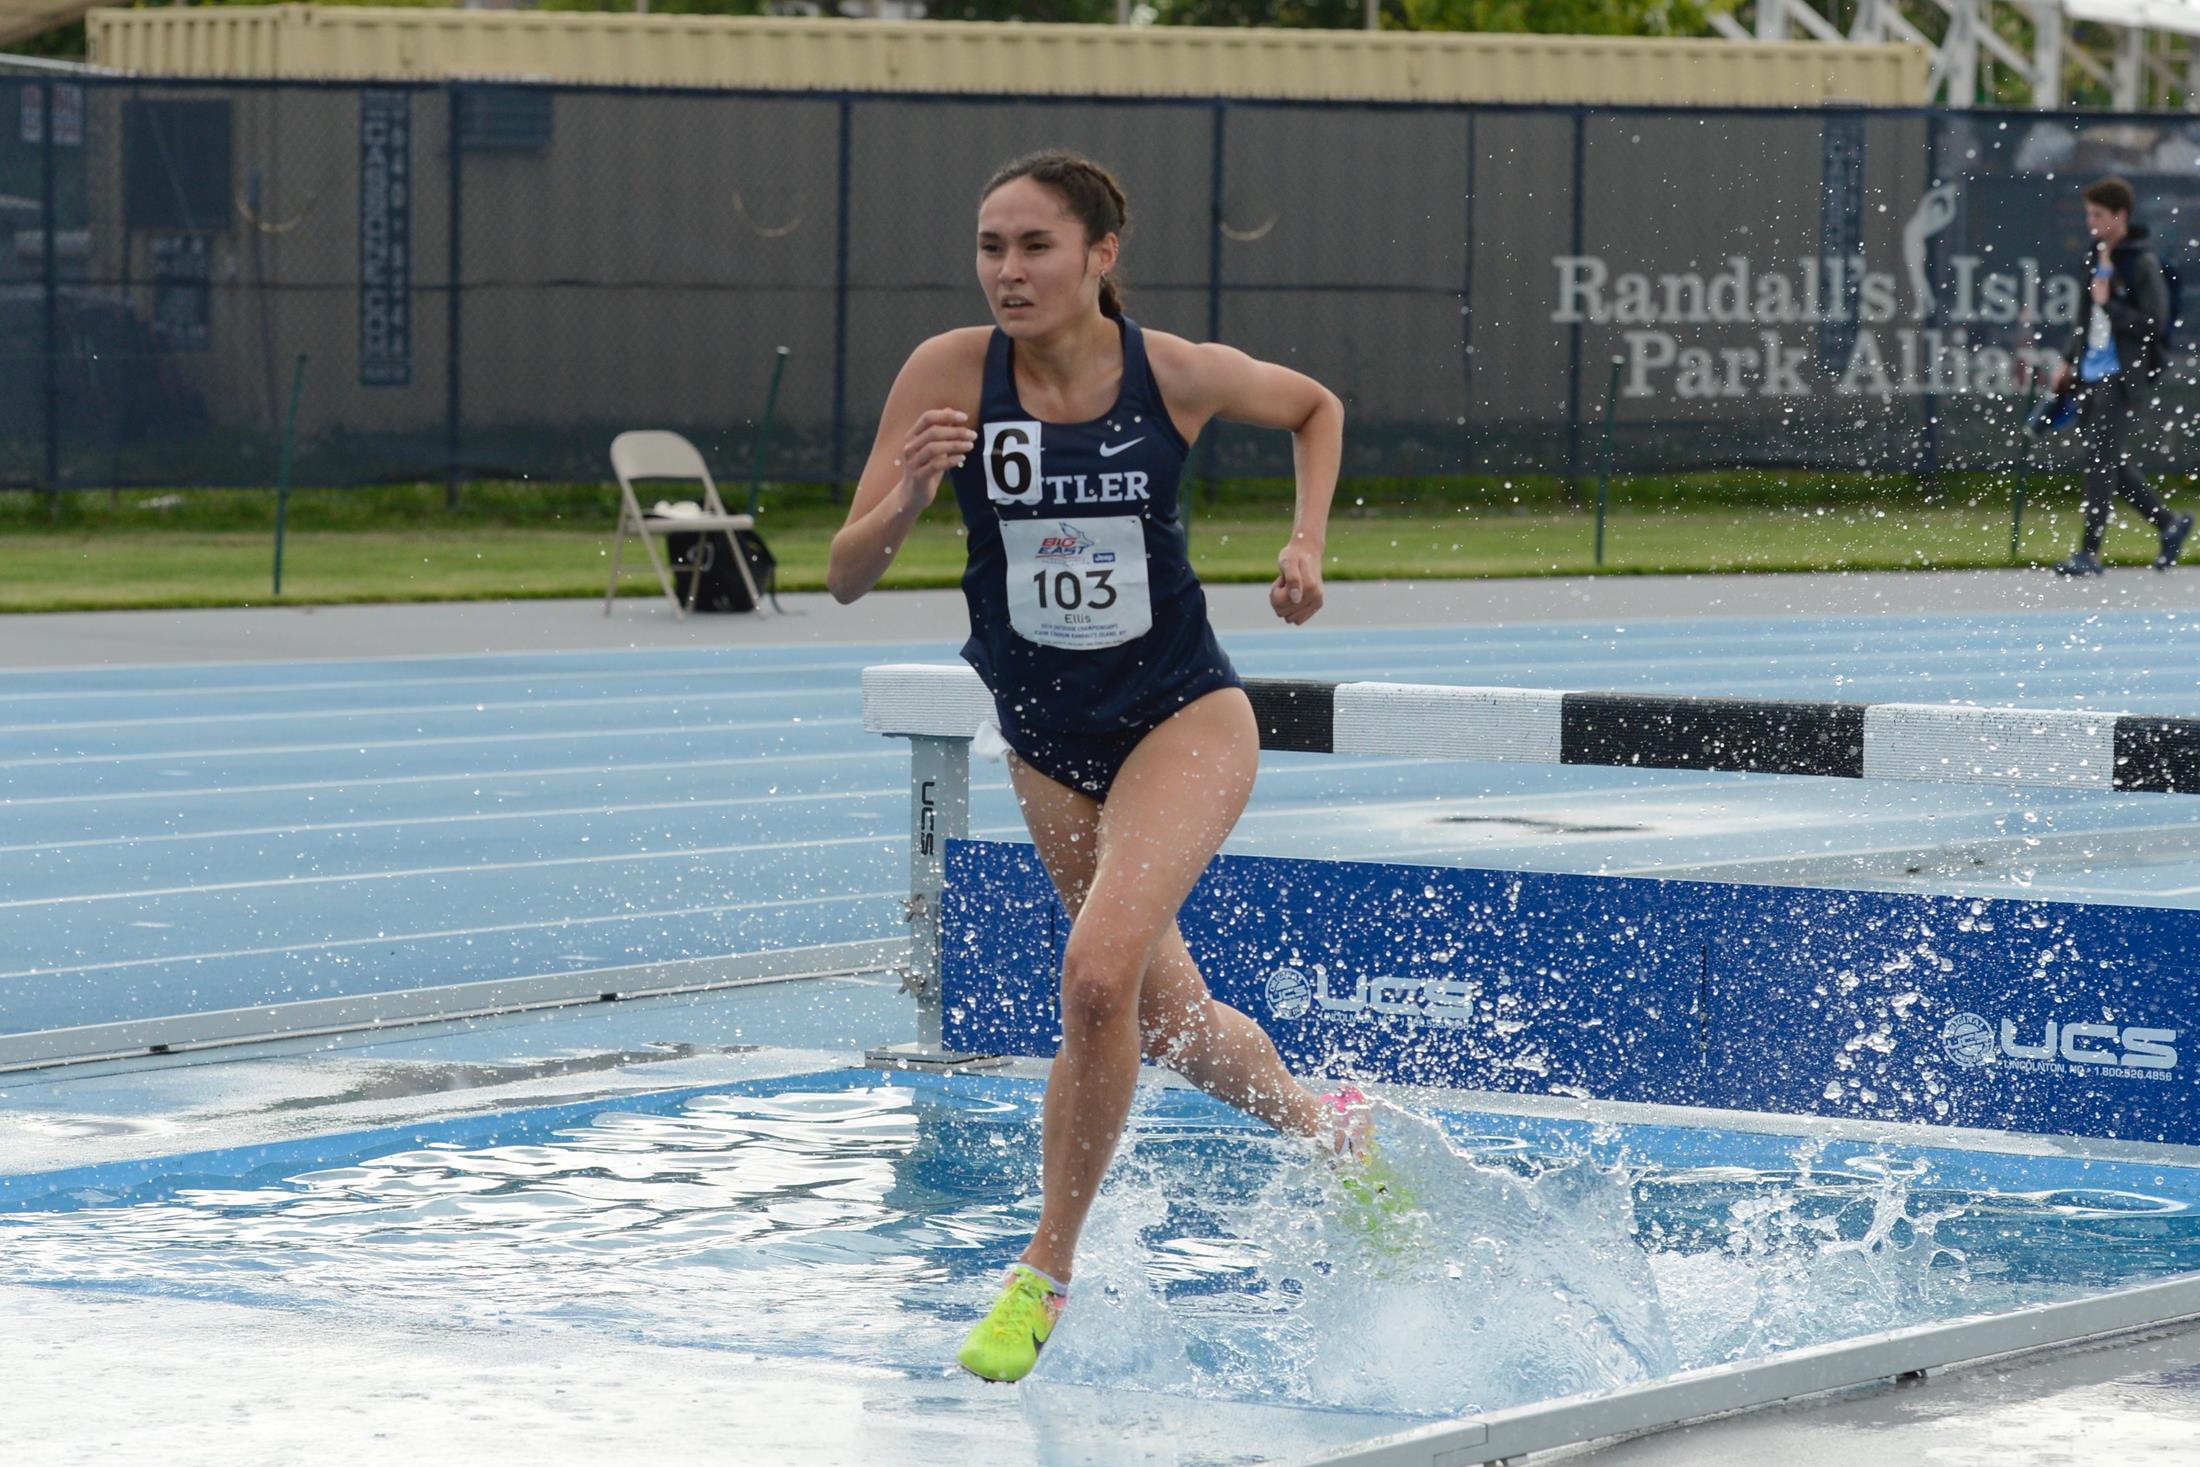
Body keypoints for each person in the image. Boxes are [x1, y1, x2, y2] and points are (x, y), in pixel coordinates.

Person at [826, 150, 1358, 1384]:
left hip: (1182, 717)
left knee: (1094, 974)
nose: (1007, 272)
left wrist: (1306, 546)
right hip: (1048, 740)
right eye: (990, 247)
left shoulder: (1169, 373)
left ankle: (1041, 1271)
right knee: (1162, 1018)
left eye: (1035, 247)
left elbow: (1315, 407)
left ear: (1099, 256)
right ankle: (1334, 1134)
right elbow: (847, 573)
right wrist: (911, 491)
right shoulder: (947, 373)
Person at [2048, 175, 2194, 576]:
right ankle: (2170, 524)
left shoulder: (2141, 263)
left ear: (2121, 215)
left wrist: (2109, 304)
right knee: (2108, 461)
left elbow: (2153, 324)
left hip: (2121, 375)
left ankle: (2089, 552)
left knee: (2100, 462)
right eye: (2088, 215)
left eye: (2098, 215)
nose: (2091, 223)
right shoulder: (2093, 257)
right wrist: (2068, 360)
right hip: (2089, 372)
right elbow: (2083, 317)